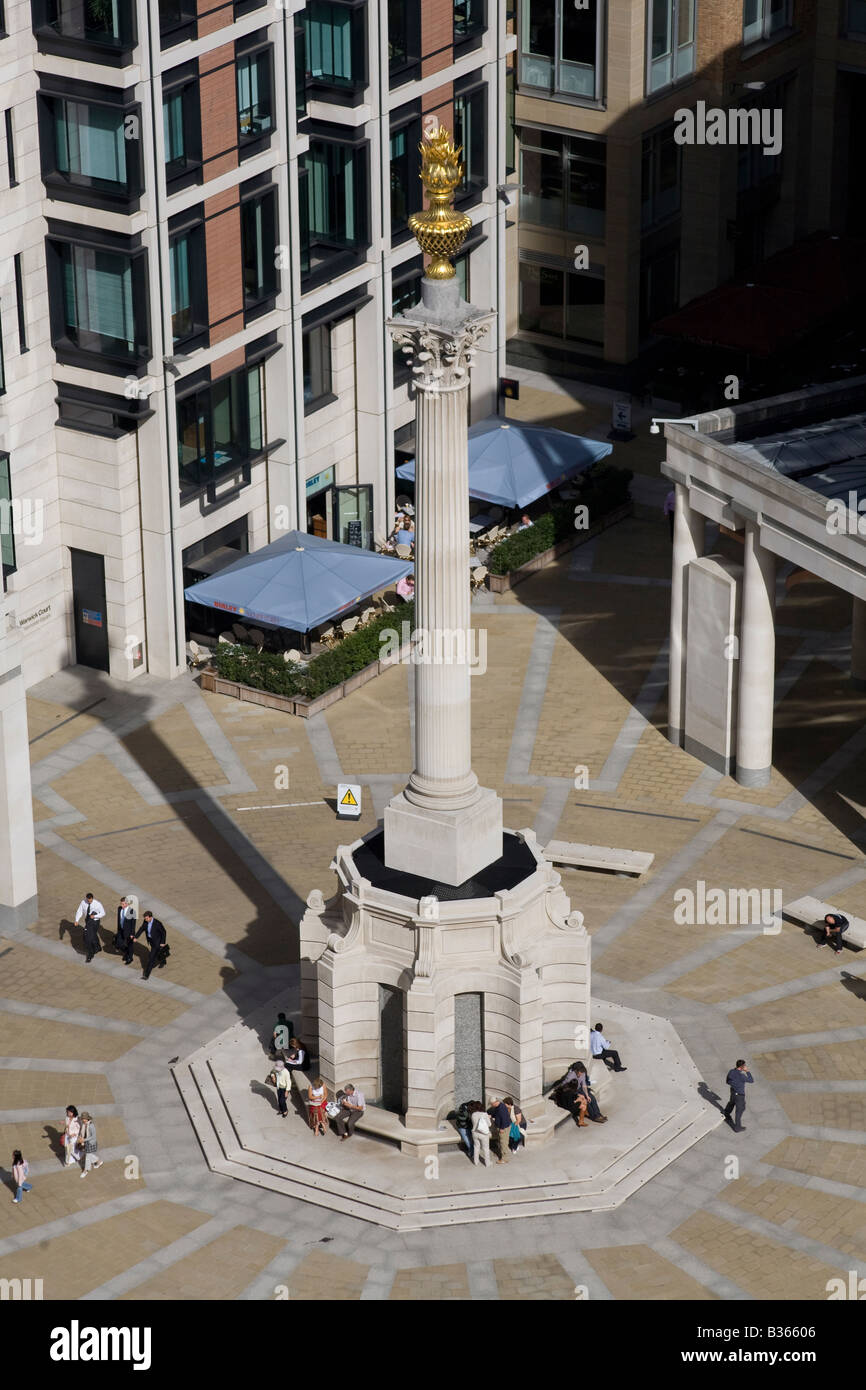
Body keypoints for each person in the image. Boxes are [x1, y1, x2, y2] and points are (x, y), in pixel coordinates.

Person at [74, 892, 105, 964]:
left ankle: (92, 952)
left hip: (95, 922)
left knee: (90, 936)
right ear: (86, 898)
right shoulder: (83, 902)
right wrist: (76, 920)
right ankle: (95, 949)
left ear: (92, 898)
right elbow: (80, 911)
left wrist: (95, 916)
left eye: (90, 900)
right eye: (88, 900)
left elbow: (103, 913)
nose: (89, 901)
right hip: (88, 921)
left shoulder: (97, 904)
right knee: (90, 936)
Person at [724, 1060, 754, 1133]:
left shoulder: (731, 1071)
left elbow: (727, 1081)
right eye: (744, 1065)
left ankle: (726, 1114)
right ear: (742, 1067)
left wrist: (733, 1085)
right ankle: (737, 1128)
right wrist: (747, 1071)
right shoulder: (742, 1076)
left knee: (731, 1102)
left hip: (733, 1092)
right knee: (739, 1110)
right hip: (740, 1095)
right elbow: (751, 1080)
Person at [136, 911, 166, 981]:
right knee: (159, 953)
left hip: (157, 942)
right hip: (151, 941)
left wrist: (162, 942)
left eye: (146, 918)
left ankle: (146, 975)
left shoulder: (157, 923)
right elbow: (142, 929)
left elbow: (163, 932)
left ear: (150, 917)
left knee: (151, 958)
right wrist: (136, 937)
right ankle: (163, 961)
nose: (145, 920)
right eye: (145, 919)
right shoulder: (145, 921)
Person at [489, 1097, 512, 1163]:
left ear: (495, 1102)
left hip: (504, 1128)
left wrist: (502, 1128)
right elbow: (496, 1114)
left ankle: (504, 1159)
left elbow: (504, 1119)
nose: (491, 1105)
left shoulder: (501, 1108)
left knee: (503, 1143)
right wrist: (491, 1115)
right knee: (502, 1141)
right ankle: (502, 1154)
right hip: (502, 1126)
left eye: (491, 1104)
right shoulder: (499, 1106)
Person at [115, 896, 136, 962]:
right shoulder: (119, 909)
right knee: (118, 943)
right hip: (121, 929)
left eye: (123, 904)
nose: (122, 905)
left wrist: (132, 934)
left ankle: (130, 957)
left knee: (130, 945)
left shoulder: (132, 911)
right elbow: (119, 919)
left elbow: (133, 924)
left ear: (127, 904)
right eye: (121, 903)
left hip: (129, 932)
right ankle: (127, 952)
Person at [471, 1103, 491, 1167]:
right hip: (483, 1134)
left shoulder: (473, 1114)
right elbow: (489, 1124)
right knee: (486, 1149)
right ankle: (487, 1163)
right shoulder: (484, 1114)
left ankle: (476, 1162)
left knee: (476, 1147)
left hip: (475, 1133)